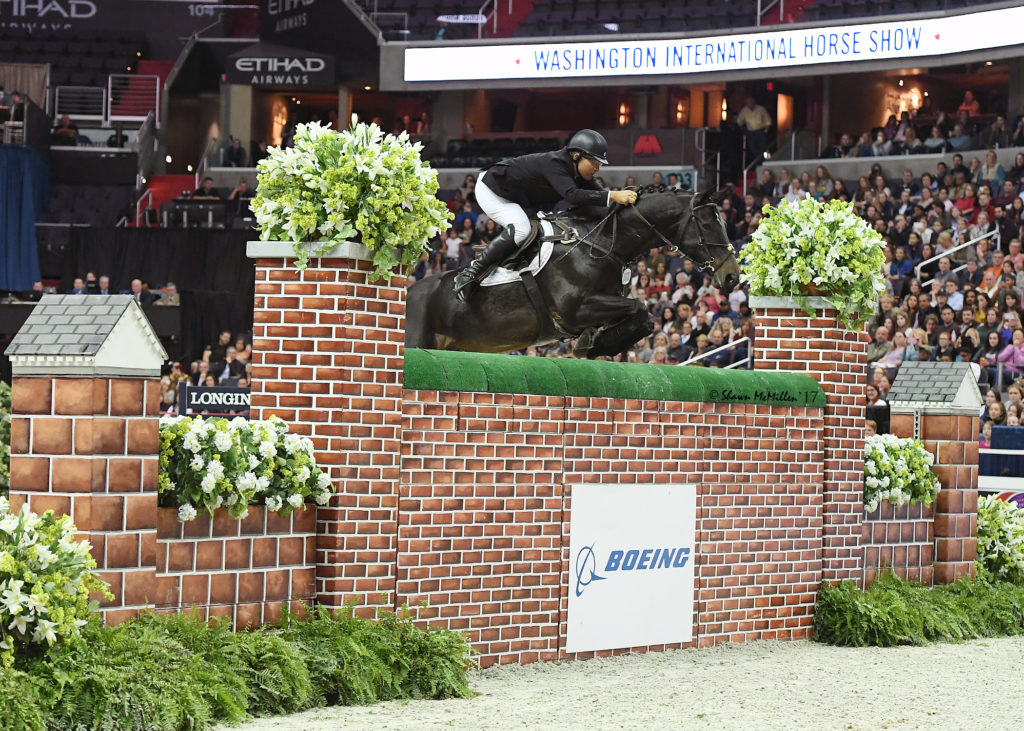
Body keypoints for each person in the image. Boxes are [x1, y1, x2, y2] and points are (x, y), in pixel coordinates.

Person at [453, 129, 637, 301]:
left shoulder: (580, 173)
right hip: (493, 189)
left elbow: (598, 198)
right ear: (576, 156)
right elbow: (572, 195)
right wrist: (613, 195)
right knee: (521, 229)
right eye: (594, 162)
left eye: (599, 164)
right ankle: (470, 274)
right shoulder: (555, 163)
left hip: (519, 198)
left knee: (544, 230)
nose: (597, 168)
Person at [736, 97, 771, 164]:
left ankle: (768, 159)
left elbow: (768, 120)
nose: (750, 104)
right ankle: (760, 160)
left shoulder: (761, 109)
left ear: (754, 102)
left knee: (763, 147)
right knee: (752, 146)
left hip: (761, 130)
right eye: (748, 103)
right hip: (751, 132)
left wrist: (766, 130)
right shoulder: (744, 110)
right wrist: (743, 129)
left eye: (751, 102)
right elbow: (739, 121)